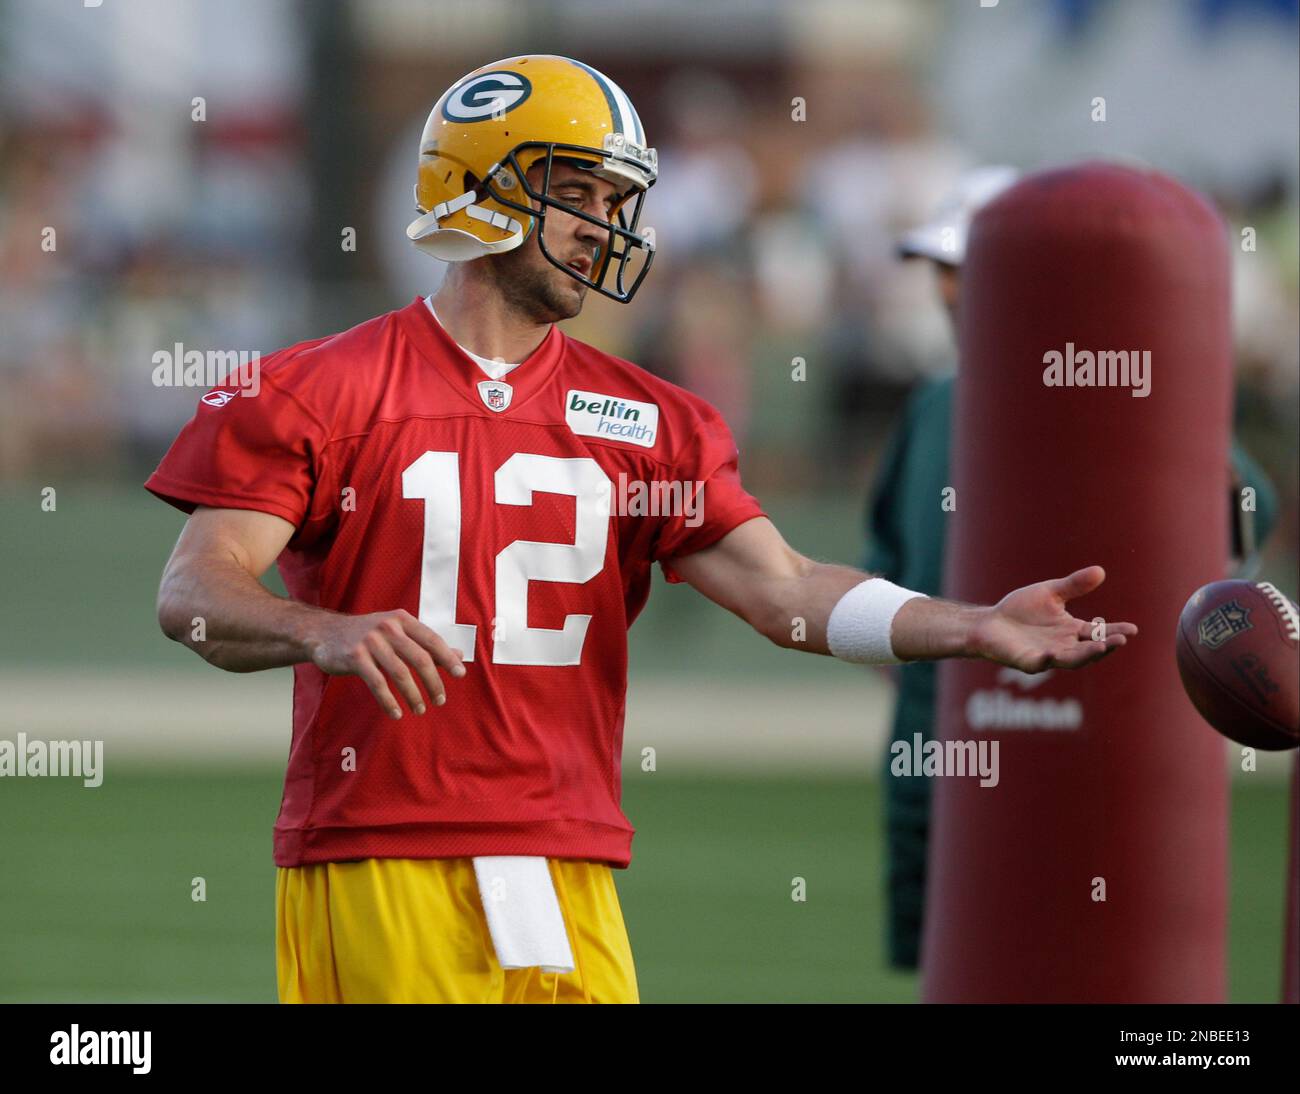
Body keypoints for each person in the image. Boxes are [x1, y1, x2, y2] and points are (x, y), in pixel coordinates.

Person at [146, 58, 1136, 1004]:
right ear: (483, 188)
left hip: (567, 854)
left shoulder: (651, 419)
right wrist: (321, 630)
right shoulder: (315, 389)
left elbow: (783, 590)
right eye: (581, 193)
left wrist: (970, 625)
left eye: (618, 203)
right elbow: (193, 594)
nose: (603, 228)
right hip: (382, 844)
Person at [866, 166, 1279, 973]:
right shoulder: (933, 405)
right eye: (940, 274)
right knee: (949, 957)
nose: (949, 295)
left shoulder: (1112, 392)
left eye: (965, 273)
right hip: (935, 728)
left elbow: (1247, 510)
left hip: (1078, 734)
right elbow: (883, 555)